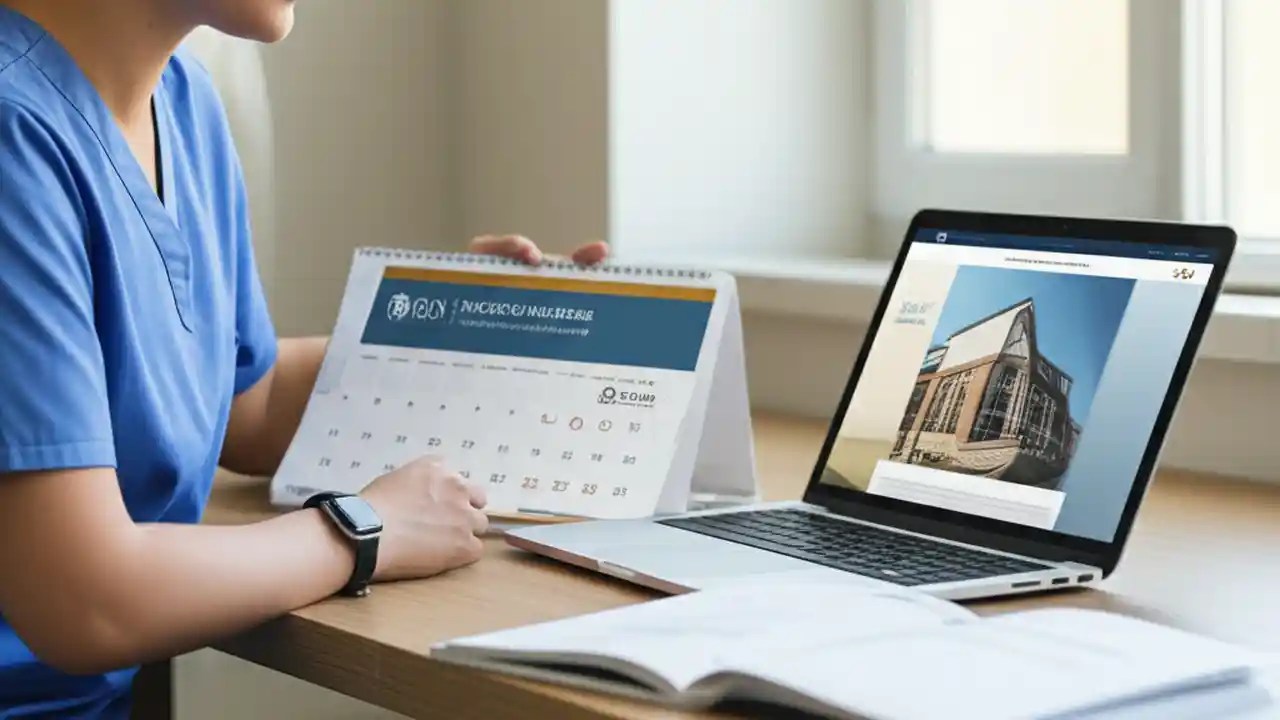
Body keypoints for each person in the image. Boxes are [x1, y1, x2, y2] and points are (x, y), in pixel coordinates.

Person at [0, 0, 610, 716]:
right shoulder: (13, 137)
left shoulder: (184, 105)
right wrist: (359, 531)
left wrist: (465, 345)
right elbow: (84, 600)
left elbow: (241, 404)